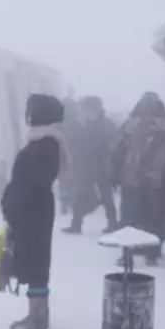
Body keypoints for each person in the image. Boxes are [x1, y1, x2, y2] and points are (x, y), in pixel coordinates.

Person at [1, 94, 69, 329]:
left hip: (31, 210)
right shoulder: (49, 143)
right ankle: (38, 313)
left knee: (35, 262)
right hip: (37, 208)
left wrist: (11, 207)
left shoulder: (41, 146)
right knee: (36, 260)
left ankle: (37, 317)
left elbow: (26, 182)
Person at [110, 92, 165, 265]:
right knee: (144, 218)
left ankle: (138, 252)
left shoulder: (130, 128)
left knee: (138, 217)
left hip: (143, 180)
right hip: (147, 181)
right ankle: (144, 252)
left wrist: (114, 172)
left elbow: (116, 152)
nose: (147, 114)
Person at [62, 96, 119, 234]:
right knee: (81, 194)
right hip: (88, 165)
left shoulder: (105, 125)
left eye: (89, 109)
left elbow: (113, 145)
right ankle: (76, 224)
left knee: (106, 196)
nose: (87, 112)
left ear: (97, 109)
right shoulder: (87, 125)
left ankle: (112, 223)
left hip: (102, 166)